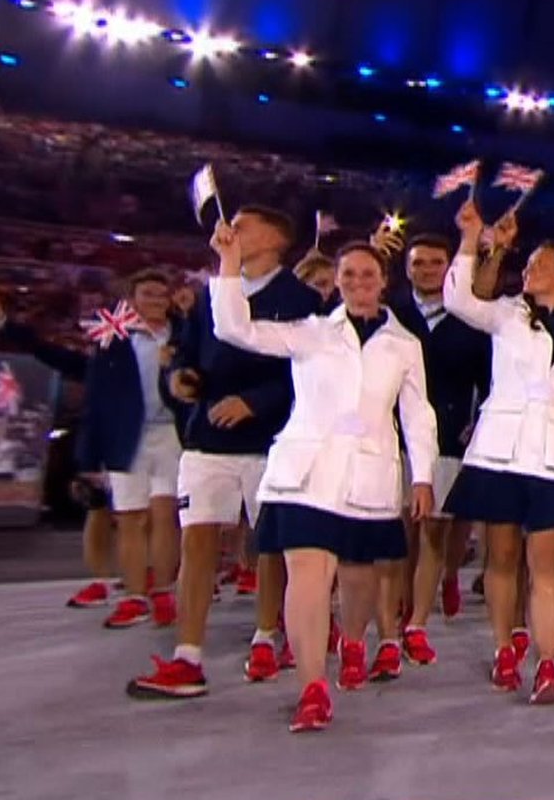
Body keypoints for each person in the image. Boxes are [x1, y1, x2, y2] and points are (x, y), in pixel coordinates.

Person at [207, 231, 437, 732]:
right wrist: (228, 264)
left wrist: (422, 476)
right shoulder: (309, 332)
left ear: (383, 281)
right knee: (308, 576)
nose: (358, 282)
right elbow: (234, 328)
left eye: (368, 274)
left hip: (368, 477)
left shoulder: (405, 345)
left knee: (358, 577)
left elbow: (418, 415)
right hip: (306, 475)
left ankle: (353, 641)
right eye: (348, 274)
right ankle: (312, 687)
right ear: (336, 280)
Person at [130, 205, 318, 699]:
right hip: (207, 438)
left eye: (244, 225)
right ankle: (187, 656)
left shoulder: (302, 299)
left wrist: (254, 402)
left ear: (275, 240)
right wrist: (179, 381)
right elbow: (186, 354)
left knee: (268, 545)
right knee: (196, 541)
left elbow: (308, 373)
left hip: (269, 442)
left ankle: (266, 637)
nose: (231, 230)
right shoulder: (212, 293)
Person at [440, 199, 554, 704]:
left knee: (546, 565)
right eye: (527, 264)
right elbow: (457, 300)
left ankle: (547, 663)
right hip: (500, 452)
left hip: (553, 455)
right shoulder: (506, 313)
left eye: (539, 265)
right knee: (502, 558)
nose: (528, 271)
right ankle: (503, 647)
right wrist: (473, 239)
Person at [0, 271, 183, 631]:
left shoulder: (185, 335)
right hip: (125, 438)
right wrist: (3, 325)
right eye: (147, 293)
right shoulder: (113, 339)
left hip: (170, 436)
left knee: (164, 515)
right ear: (132, 300)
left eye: (161, 293)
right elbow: (72, 367)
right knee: (130, 518)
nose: (156, 299)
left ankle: (163, 591)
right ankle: (135, 598)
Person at [383, 232, 492, 664]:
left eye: (435, 263)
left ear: (449, 268)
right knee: (399, 533)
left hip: (447, 437)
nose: (426, 270)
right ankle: (394, 612)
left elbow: (490, 380)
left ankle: (417, 623)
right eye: (418, 263)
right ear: (406, 268)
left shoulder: (467, 317)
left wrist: (478, 423)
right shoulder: (391, 313)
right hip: (393, 439)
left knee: (433, 532)